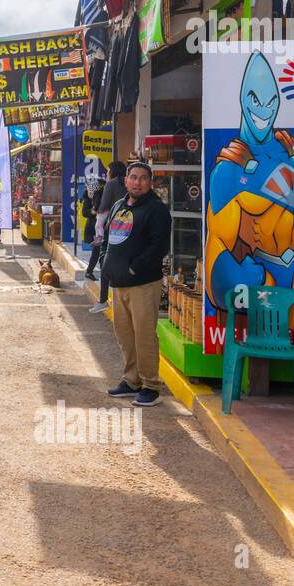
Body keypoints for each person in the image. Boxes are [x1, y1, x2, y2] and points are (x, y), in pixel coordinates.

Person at [103, 161, 171, 407]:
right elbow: (111, 239)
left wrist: (134, 268)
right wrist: (106, 262)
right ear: (126, 180)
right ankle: (131, 380)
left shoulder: (157, 210)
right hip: (119, 283)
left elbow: (158, 247)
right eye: (133, 177)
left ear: (150, 182)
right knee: (125, 335)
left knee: (144, 335)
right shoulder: (119, 205)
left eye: (143, 178)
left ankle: (150, 384)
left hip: (143, 283)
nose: (138, 182)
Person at [88, 161, 127, 315]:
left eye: (108, 170)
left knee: (105, 263)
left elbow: (103, 206)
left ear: (113, 171)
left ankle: (103, 300)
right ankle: (119, 301)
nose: (107, 172)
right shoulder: (127, 183)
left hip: (113, 229)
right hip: (128, 228)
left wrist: (96, 208)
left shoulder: (111, 184)